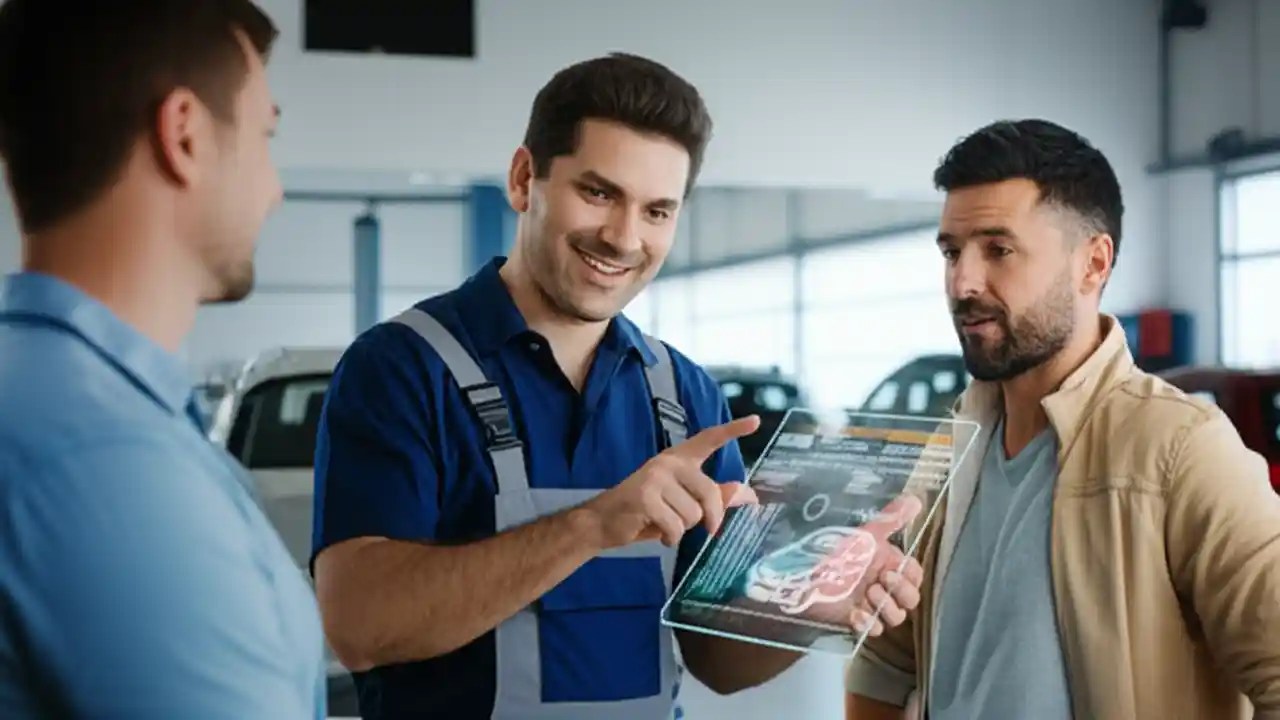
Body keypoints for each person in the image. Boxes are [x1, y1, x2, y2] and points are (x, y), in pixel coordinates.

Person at [312, 52, 919, 719]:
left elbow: (718, 659)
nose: (624, 238)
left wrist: (820, 602)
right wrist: (593, 526)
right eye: (598, 193)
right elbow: (360, 628)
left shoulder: (685, 395)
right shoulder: (401, 369)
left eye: (657, 211)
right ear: (523, 180)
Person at [843, 119, 1280, 719]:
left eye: (999, 249)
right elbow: (885, 661)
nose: (963, 282)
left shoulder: (1180, 449)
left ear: (1093, 264)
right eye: (952, 252)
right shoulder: (953, 444)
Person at [0, 2, 326, 717]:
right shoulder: (104, 460)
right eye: (264, 137)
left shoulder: (43, 395)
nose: (273, 188)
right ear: (184, 136)